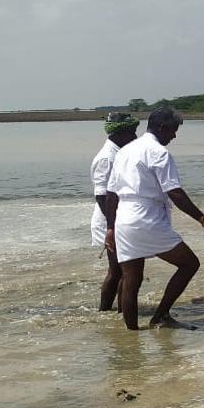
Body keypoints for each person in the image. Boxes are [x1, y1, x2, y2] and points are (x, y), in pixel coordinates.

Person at [105, 106, 204, 330]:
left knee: (131, 280)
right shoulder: (159, 152)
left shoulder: (125, 151)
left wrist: (110, 228)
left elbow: (111, 195)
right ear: (161, 127)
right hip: (146, 218)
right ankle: (161, 315)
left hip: (124, 219)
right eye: (173, 130)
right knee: (189, 264)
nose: (174, 135)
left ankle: (131, 338)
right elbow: (175, 192)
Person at [90, 112, 138, 311]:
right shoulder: (106, 158)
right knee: (118, 271)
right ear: (119, 134)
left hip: (117, 219)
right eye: (131, 133)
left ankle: (118, 311)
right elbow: (102, 197)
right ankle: (107, 311)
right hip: (109, 220)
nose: (135, 137)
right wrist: (113, 226)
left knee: (120, 270)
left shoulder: (119, 153)